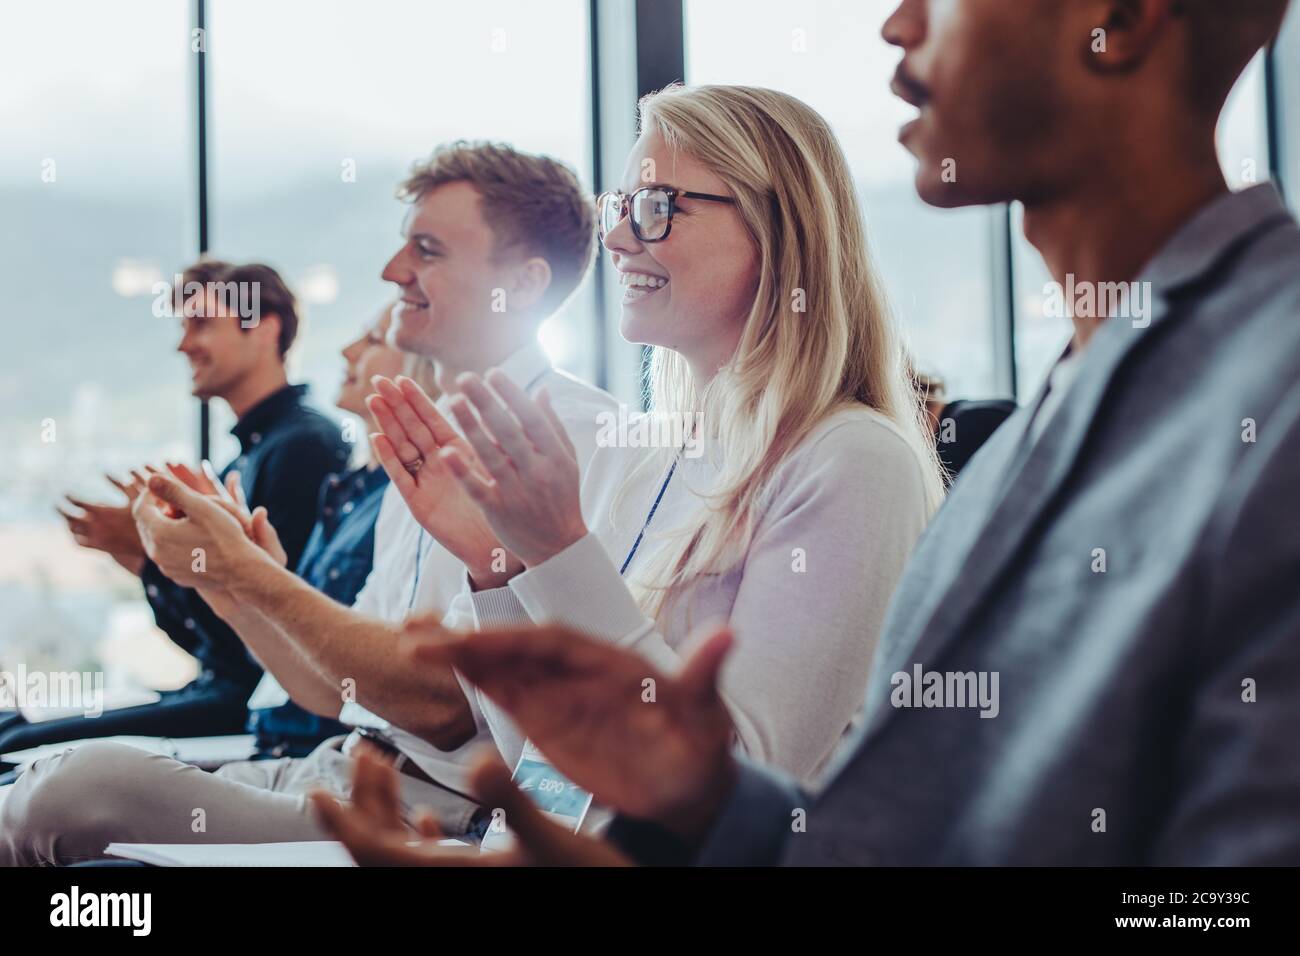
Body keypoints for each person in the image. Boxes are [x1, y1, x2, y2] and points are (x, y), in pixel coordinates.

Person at [314, 0, 1300, 867]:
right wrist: (503, 564)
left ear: (1120, 17)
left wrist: (553, 557)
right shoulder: (1067, 405)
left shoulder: (1258, 391)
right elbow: (876, 825)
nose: (894, 23)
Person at [0, 141, 617, 866]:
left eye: (426, 249)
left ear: (524, 282)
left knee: (62, 791)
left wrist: (254, 577)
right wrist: (232, 586)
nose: (392, 274)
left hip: (430, 810)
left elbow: (443, 709)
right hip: (342, 761)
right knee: (38, 784)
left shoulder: (574, 441)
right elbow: (331, 693)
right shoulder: (419, 443)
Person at [360, 83, 944, 788]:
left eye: (656, 207)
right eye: (619, 207)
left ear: (779, 228)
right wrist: (497, 566)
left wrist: (556, 549)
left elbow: (735, 780)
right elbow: (546, 765)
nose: (613, 237)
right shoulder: (651, 455)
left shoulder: (853, 461)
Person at [0, 261, 347, 759]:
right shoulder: (255, 455)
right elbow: (216, 644)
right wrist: (148, 561)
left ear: (265, 329)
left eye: (202, 324)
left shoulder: (301, 448)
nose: (184, 344)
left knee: (16, 747)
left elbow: (252, 646)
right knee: (11, 726)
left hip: (251, 706)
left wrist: (151, 558)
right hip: (225, 693)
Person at [242, 301, 413, 759]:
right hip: (277, 738)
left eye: (374, 340)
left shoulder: (407, 500)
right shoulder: (343, 490)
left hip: (320, 750)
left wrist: (245, 576)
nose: (348, 349)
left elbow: (348, 680)